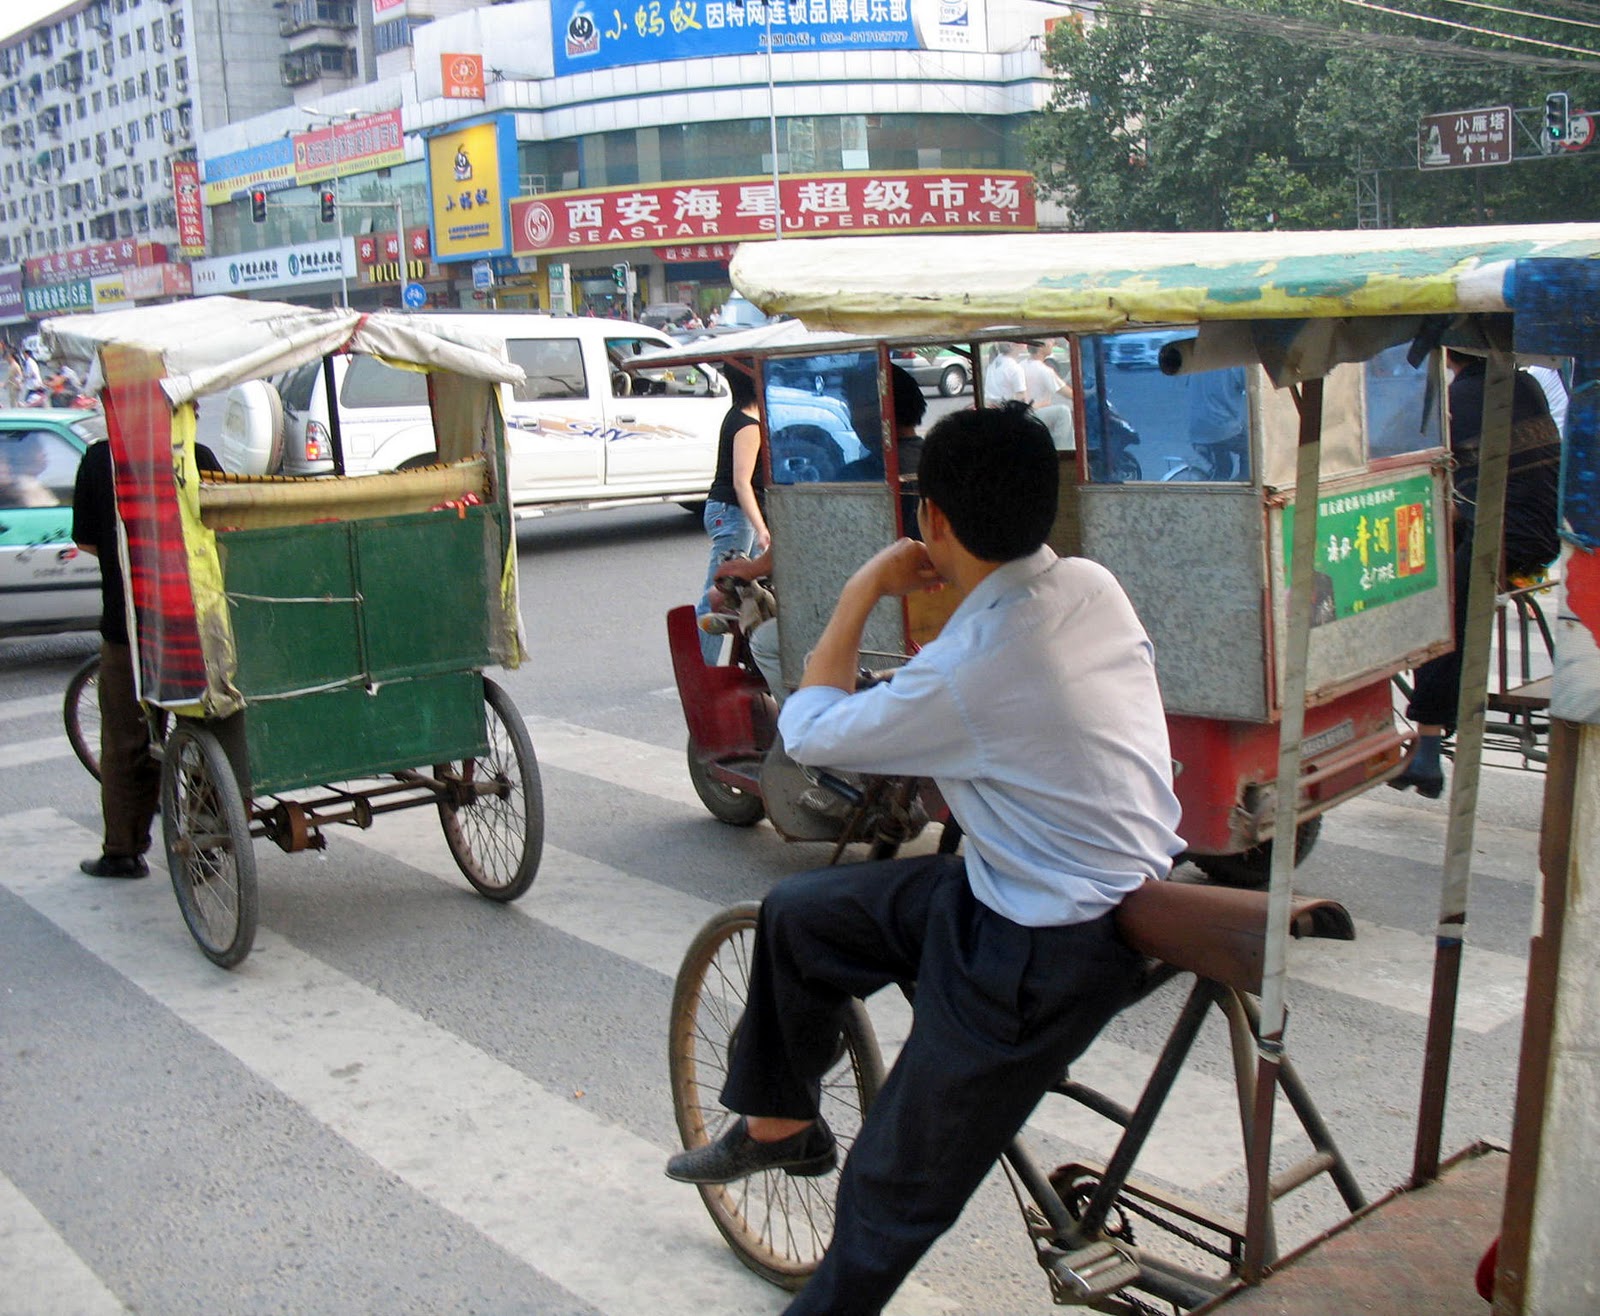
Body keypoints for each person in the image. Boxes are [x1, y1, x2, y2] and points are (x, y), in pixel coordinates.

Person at [664, 403, 1184, 1315]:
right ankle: (780, 1123)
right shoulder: (1089, 586)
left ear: (931, 517)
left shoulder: (974, 663)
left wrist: (865, 584)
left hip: (1042, 945)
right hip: (1034, 888)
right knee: (800, 917)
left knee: (885, 1193)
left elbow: (809, 731)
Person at [1392, 352, 1562, 797]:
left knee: (1439, 617)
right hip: (1538, 533)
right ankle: (1429, 740)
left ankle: (1428, 748)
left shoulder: (1460, 398)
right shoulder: (1524, 385)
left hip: (1506, 540)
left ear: (1449, 351)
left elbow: (1406, 452)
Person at [72, 436, 222, 878]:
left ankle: (123, 850)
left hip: (129, 627)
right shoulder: (196, 455)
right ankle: (205, 845)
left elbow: (88, 542)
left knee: (126, 743)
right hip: (195, 626)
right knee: (208, 731)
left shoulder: (100, 459)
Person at [697, 366, 769, 662]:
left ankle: (744, 662)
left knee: (743, 592)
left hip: (730, 511)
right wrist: (761, 527)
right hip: (734, 513)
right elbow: (742, 483)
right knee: (717, 595)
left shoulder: (742, 415)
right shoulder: (748, 425)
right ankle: (703, 668)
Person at [1022, 339, 1075, 451]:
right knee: (1063, 411)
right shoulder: (1044, 370)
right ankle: (1062, 450)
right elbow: (1070, 394)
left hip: (1025, 414)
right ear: (1041, 346)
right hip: (1034, 415)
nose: (1053, 342)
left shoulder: (1021, 365)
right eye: (1049, 340)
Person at [982, 341, 1026, 406]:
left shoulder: (995, 360)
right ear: (1012, 345)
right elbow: (1021, 397)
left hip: (988, 405)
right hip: (1003, 407)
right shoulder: (1015, 368)